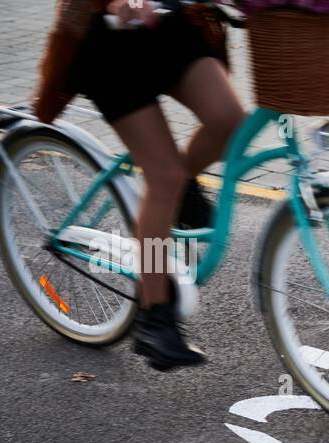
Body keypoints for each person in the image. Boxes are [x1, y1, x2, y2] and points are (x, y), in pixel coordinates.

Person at [34, 0, 246, 370]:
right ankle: (154, 315)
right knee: (164, 176)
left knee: (230, 122)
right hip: (110, 46)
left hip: (171, 26)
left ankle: (179, 190)